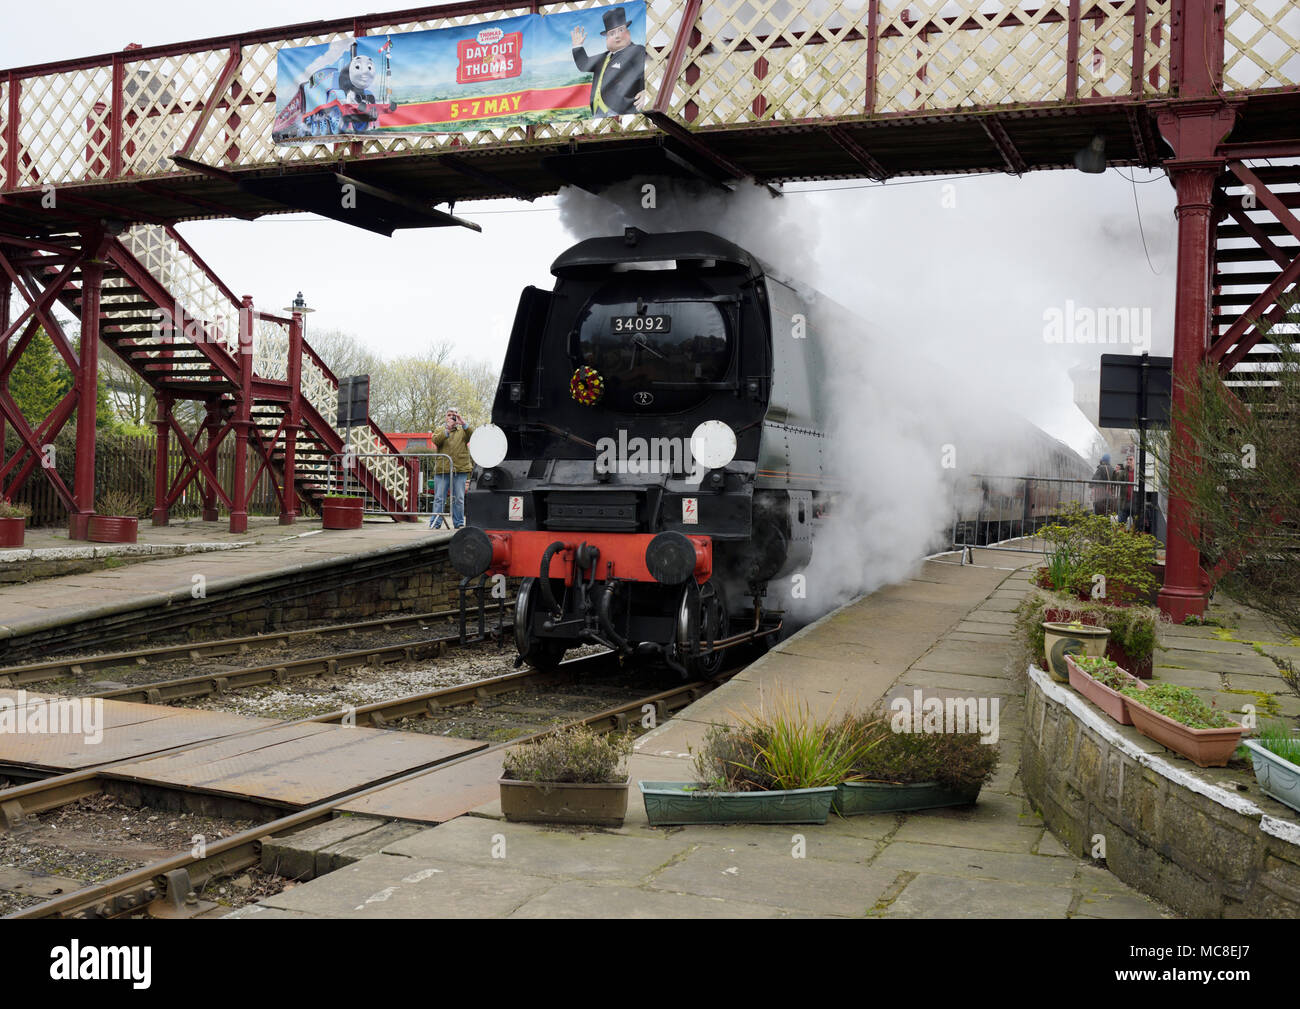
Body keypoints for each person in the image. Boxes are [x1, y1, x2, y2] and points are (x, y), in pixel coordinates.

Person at [570, 8, 650, 115]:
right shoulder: (603, 57)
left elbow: (650, 70)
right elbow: (584, 65)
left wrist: (647, 90)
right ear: (607, 38)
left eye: (621, 30)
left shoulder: (637, 50)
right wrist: (577, 46)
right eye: (612, 33)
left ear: (628, 32)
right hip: (597, 111)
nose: (617, 36)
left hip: (620, 110)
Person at [429, 407, 475, 530]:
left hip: (460, 469)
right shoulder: (440, 429)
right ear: (445, 417)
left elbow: (473, 435)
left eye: (454, 414)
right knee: (439, 498)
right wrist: (447, 429)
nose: (452, 417)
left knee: (459, 498)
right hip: (442, 469)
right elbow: (436, 441)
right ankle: (435, 523)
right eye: (449, 414)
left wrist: (463, 423)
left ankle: (459, 523)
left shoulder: (463, 431)